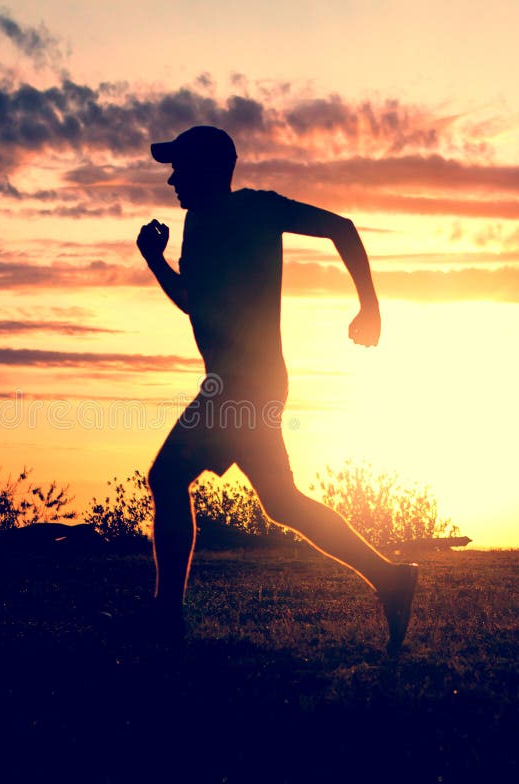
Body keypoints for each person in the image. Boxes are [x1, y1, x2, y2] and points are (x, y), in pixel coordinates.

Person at [136, 125, 417, 655]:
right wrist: (157, 262)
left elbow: (343, 228)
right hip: (239, 383)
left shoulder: (257, 210)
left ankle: (166, 620)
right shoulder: (195, 224)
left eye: (179, 168)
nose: (171, 178)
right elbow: (194, 302)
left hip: (245, 385)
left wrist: (370, 307)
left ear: (209, 170)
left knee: (167, 478)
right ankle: (392, 579)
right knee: (282, 503)